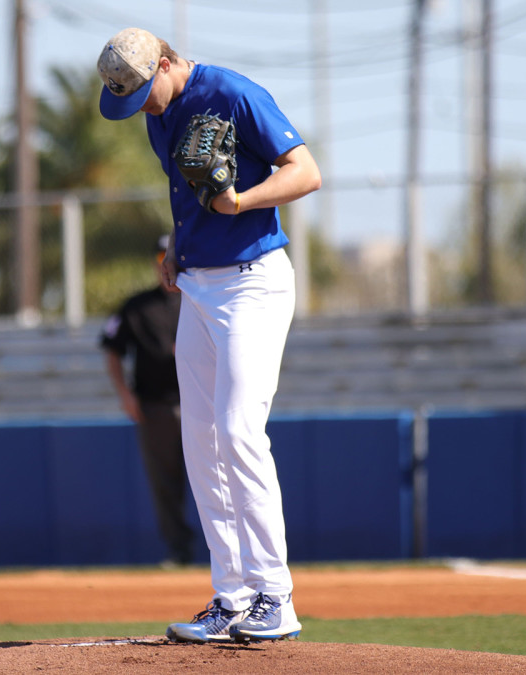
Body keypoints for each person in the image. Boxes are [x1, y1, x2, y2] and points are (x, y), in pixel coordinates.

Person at [96, 27, 322, 643]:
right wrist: (178, 252)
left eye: (142, 90)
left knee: (238, 430)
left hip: (254, 282)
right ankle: (232, 595)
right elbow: (188, 196)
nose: (139, 104)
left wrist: (242, 199)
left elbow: (306, 173)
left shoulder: (234, 93)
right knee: (200, 439)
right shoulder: (159, 112)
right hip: (198, 286)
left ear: (166, 61)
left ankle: (276, 595)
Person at [100, 234, 194, 568]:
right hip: (155, 406)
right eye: (162, 259)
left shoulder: (202, 300)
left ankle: (228, 556)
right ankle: (179, 550)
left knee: (217, 480)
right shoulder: (137, 306)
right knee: (165, 483)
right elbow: (111, 349)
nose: (168, 265)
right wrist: (126, 396)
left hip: (201, 407)